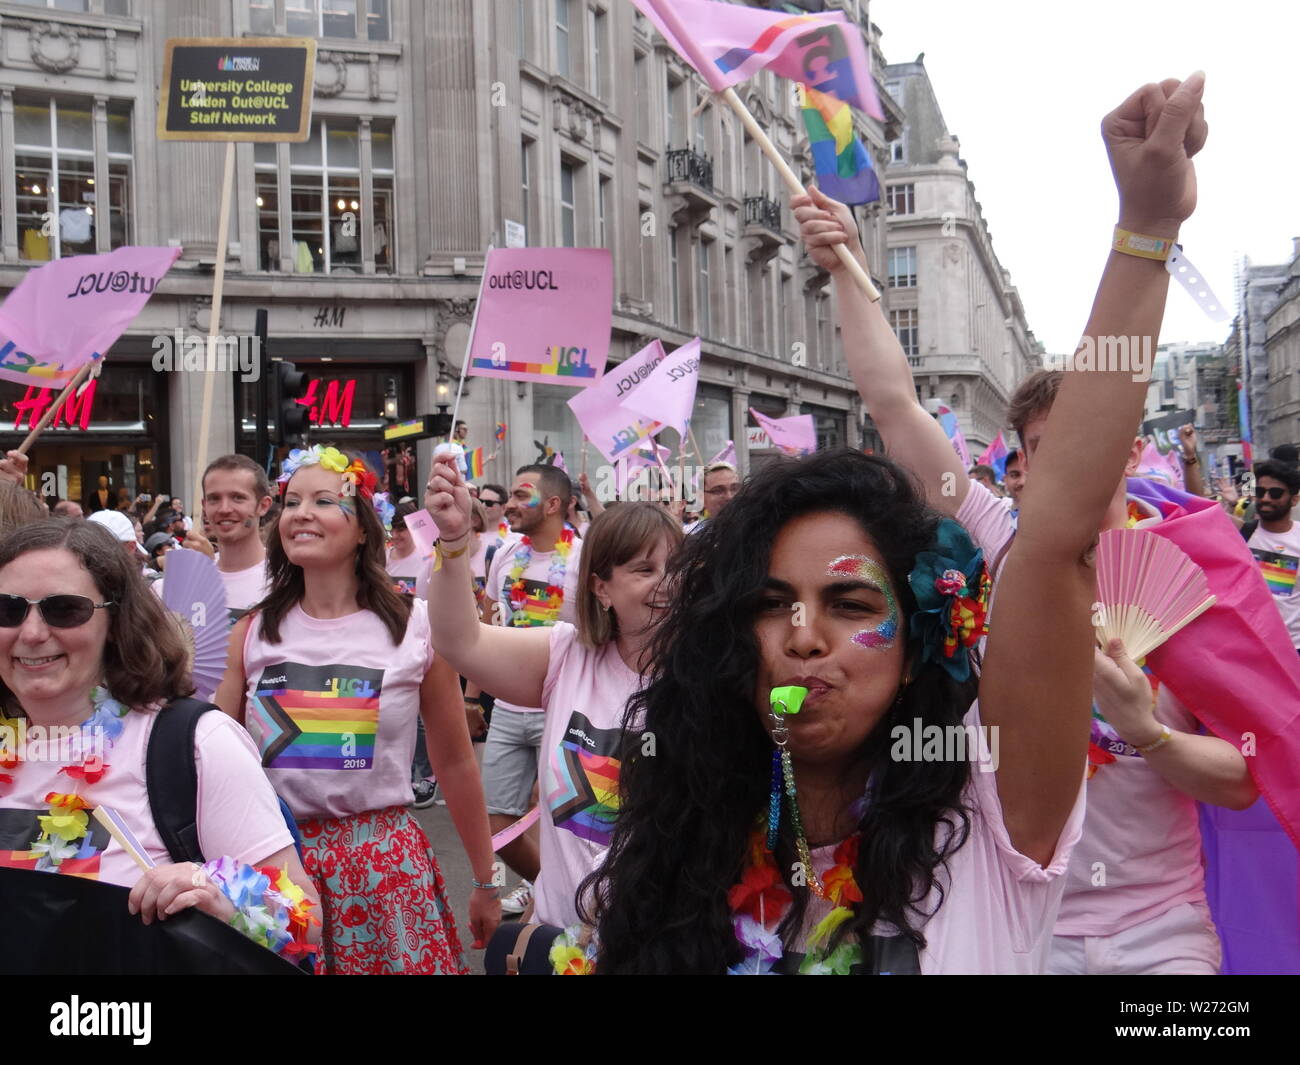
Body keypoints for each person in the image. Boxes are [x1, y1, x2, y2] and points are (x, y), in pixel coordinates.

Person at [794, 73, 1255, 975]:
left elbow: (1245, 775)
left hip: (1162, 935)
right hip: (1022, 923)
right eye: (1039, 448)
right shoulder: (1008, 543)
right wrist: (846, 264)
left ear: (1125, 450)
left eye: (1081, 442)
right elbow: (895, 406)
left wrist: (1146, 729)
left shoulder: (1196, 578)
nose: (1058, 465)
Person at [213, 444, 499, 973]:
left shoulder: (418, 626)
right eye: (291, 501)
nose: (301, 513)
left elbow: (456, 764)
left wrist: (487, 880)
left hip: (387, 874)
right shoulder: (250, 634)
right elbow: (217, 769)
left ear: (365, 527)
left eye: (324, 500)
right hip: (276, 872)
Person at [0, 519, 320, 962]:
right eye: (7, 609)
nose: (31, 633)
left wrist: (218, 899)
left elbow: (303, 919)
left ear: (114, 620)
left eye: (64, 609)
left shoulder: (194, 743)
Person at [426, 462, 682, 941]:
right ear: (601, 588)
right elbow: (458, 640)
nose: (668, 583)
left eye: (679, 568)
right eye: (645, 569)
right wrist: (455, 541)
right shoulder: (568, 655)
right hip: (562, 944)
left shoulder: (719, 675)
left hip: (667, 945)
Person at [472, 464, 583, 917]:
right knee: (497, 822)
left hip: (566, 706)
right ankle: (560, 892)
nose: (510, 505)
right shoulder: (504, 555)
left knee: (566, 820)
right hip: (508, 706)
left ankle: (564, 909)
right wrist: (469, 695)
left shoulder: (584, 556)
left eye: (521, 496)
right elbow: (486, 629)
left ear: (553, 504)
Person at [1243, 459, 1300, 652]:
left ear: (1294, 499)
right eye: (1260, 492)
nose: (1265, 498)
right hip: (1251, 648)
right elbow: (1198, 507)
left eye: (1275, 493)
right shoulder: (1242, 534)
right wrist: (1191, 458)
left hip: (1294, 649)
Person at [686, 461, 741, 533]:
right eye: (718, 491)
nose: (729, 497)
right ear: (702, 497)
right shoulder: (690, 537)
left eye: (734, 488)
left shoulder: (756, 531)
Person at [1003, 449, 1025, 516]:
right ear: (1005, 480)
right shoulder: (995, 517)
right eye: (1015, 475)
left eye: (1029, 474)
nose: (1022, 482)